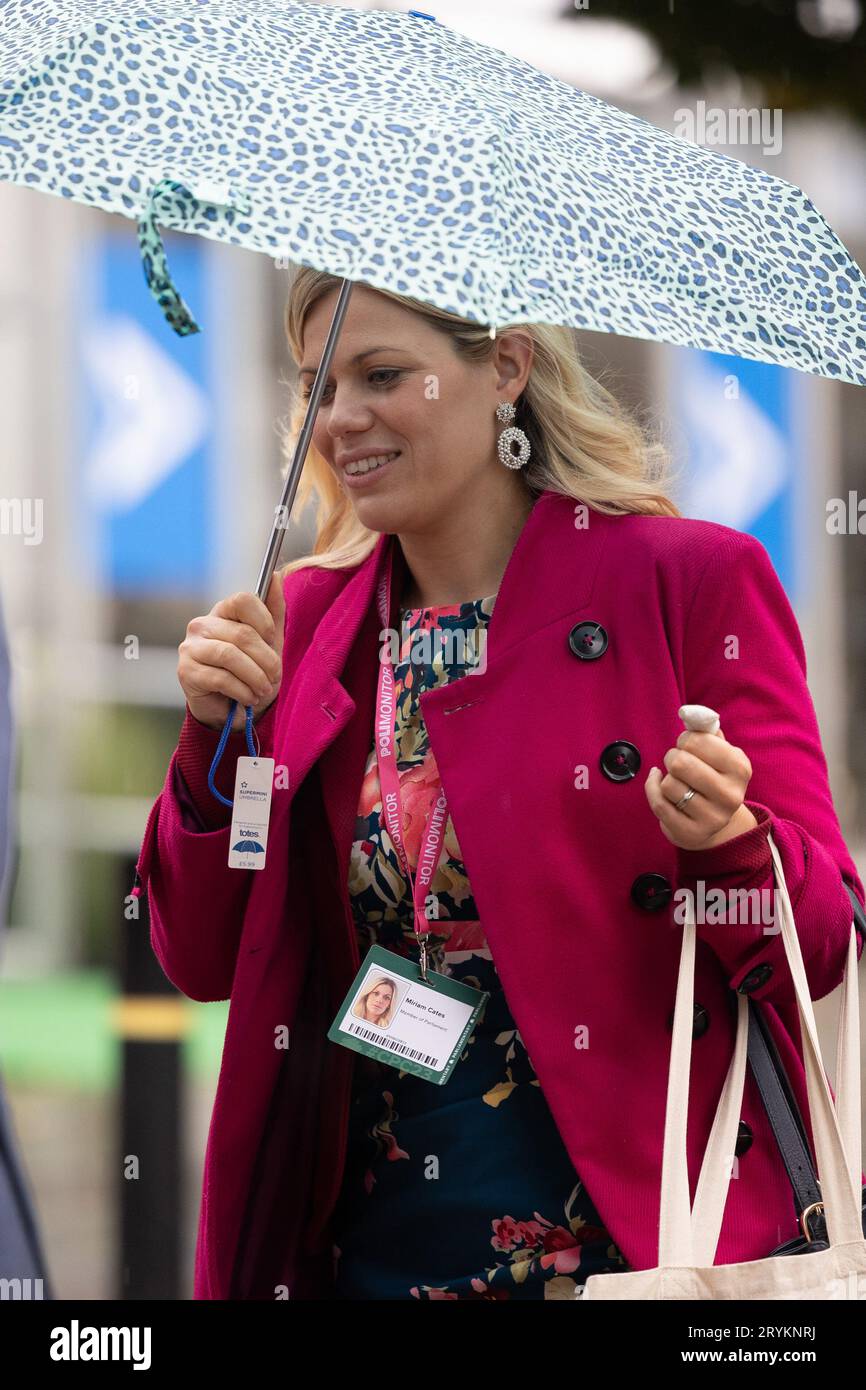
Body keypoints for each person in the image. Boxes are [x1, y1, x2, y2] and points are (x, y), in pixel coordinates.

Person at [133, 270, 865, 1301]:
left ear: (505, 369)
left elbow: (820, 941)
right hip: (370, 1249)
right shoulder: (302, 625)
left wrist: (728, 841)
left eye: (381, 374)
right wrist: (208, 748)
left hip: (640, 1240)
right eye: (318, 385)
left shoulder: (686, 582)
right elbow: (204, 959)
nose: (342, 418)